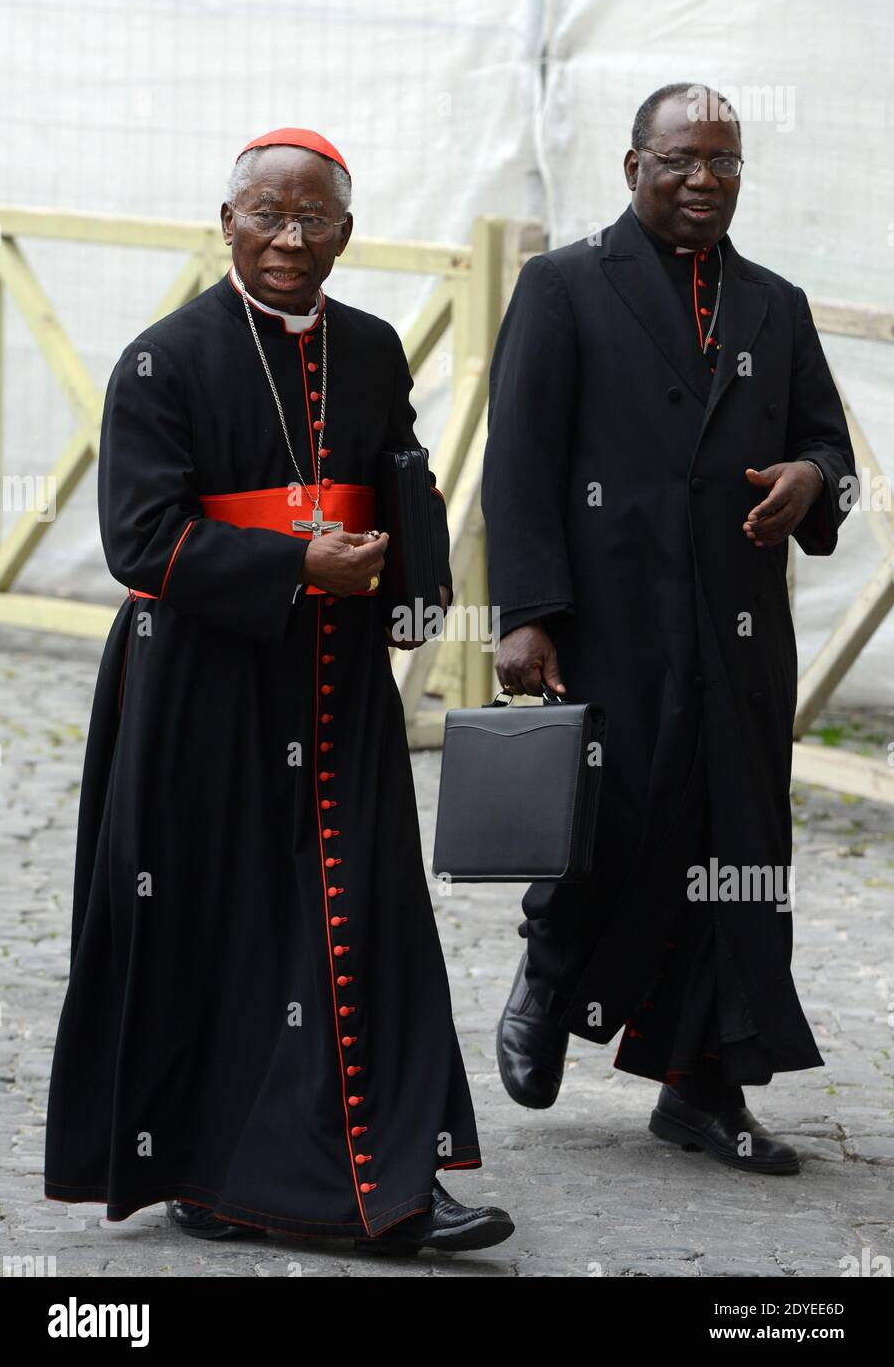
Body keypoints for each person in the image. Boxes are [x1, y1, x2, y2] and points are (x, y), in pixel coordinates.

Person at [44, 126, 513, 1253]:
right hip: (199, 695)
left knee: (371, 920)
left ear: (345, 234)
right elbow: (139, 540)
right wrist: (296, 563)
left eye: (313, 220)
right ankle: (215, 1174)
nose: (289, 241)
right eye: (268, 215)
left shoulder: (369, 346)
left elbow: (401, 473)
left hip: (338, 683)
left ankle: (395, 1179)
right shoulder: (165, 358)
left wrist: (415, 579)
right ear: (228, 223)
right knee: (224, 928)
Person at [482, 84, 857, 1174]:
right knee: (613, 810)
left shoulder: (773, 305)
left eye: (725, 161)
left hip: (736, 627)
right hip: (608, 614)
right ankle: (551, 973)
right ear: (633, 164)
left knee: (735, 844)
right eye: (683, 158)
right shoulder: (560, 288)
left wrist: (807, 477)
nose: (705, 179)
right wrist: (525, 613)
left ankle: (705, 1087)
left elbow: (824, 444)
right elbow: (521, 460)